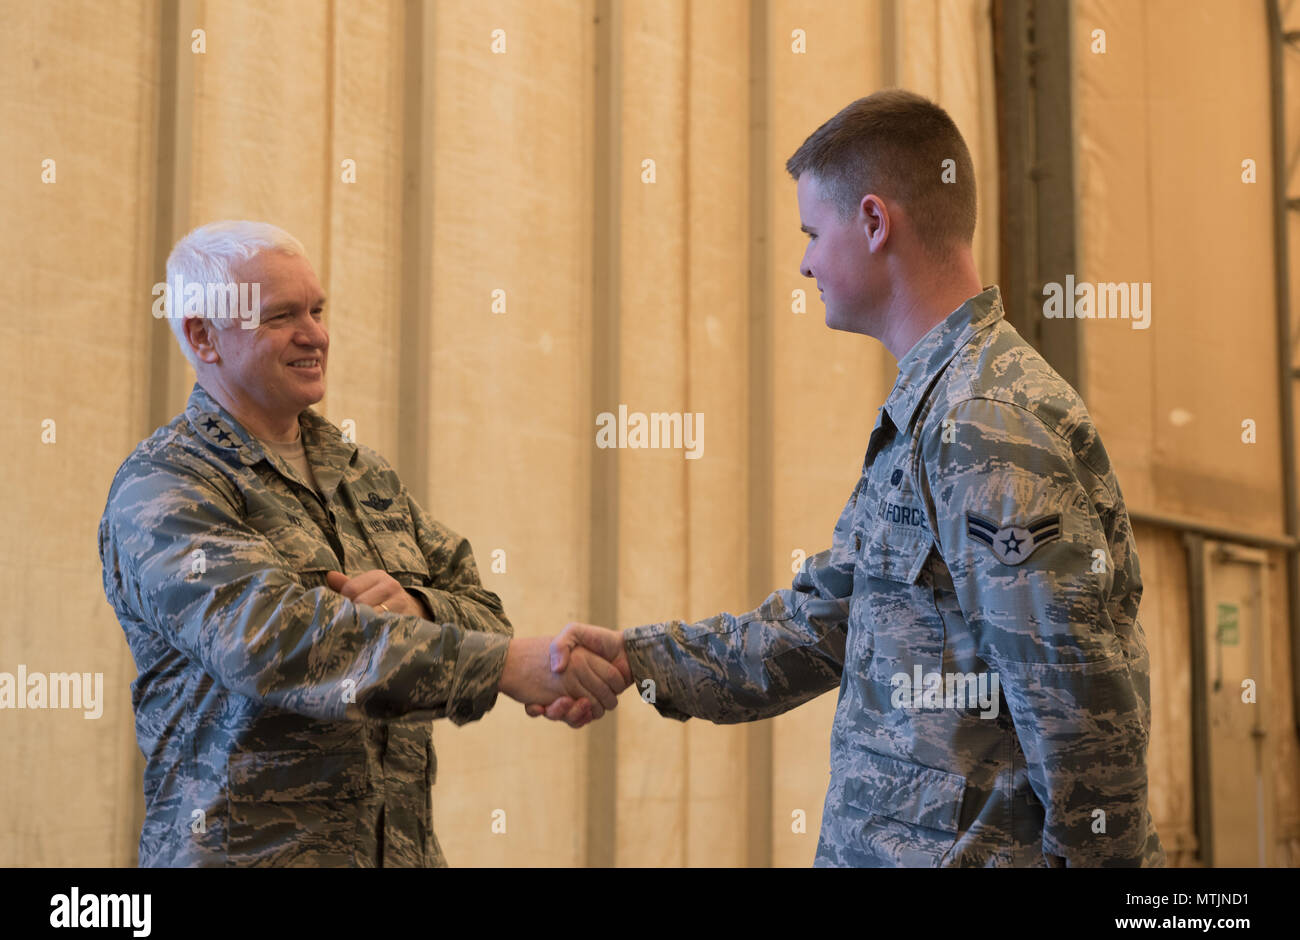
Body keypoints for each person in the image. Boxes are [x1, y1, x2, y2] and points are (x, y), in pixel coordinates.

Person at [534, 90, 1166, 867]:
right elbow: (815, 627)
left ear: (874, 222)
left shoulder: (989, 420)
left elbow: (1080, 720)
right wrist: (640, 657)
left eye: (811, 232)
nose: (803, 262)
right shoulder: (932, 415)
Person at [98, 221, 627, 867]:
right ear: (203, 336)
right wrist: (502, 666)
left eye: (317, 310)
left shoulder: (362, 473)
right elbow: (268, 641)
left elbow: (485, 610)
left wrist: (421, 608)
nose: (315, 334)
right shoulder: (166, 486)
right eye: (281, 316)